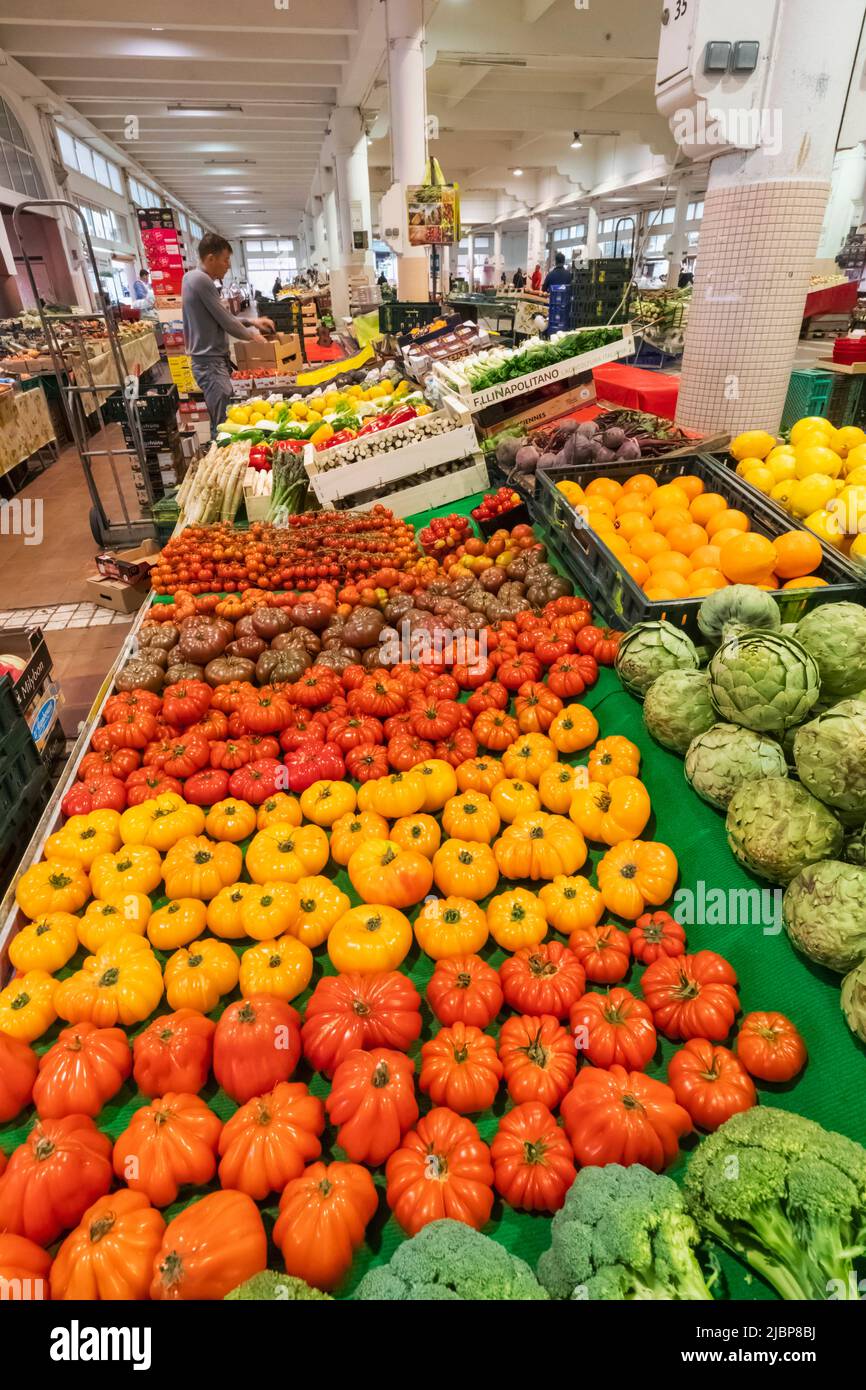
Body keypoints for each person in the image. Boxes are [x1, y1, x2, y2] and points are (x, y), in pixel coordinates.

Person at [182, 232, 274, 435]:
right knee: (224, 424)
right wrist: (253, 336)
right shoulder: (201, 280)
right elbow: (226, 322)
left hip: (209, 362)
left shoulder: (191, 278)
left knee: (223, 417)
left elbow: (218, 318)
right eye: (225, 260)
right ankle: (220, 457)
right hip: (210, 364)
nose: (228, 265)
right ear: (210, 258)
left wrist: (252, 321)